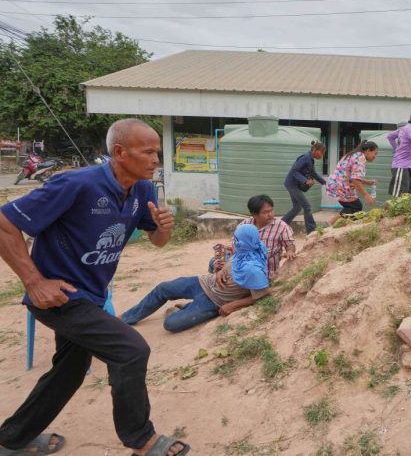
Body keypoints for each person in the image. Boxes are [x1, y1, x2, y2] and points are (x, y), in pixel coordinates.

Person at [0, 119, 190, 456]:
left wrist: (164, 229)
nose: (155, 160)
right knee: (131, 350)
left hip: (92, 296)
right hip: (60, 297)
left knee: (69, 372)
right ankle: (140, 439)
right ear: (119, 152)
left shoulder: (144, 188)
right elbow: (4, 223)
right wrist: (35, 282)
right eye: (147, 152)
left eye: (157, 152)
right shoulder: (75, 184)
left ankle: (11, 440)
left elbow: (157, 242)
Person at [123, 224, 269, 332]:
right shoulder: (245, 249)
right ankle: (126, 318)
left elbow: (260, 295)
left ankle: (187, 309)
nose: (233, 241)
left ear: (245, 241)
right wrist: (219, 272)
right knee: (163, 288)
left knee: (171, 324)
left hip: (214, 302)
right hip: (203, 282)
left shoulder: (253, 269)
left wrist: (232, 305)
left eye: (236, 238)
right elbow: (229, 263)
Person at [209, 195, 295, 278]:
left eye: (271, 210)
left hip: (266, 271)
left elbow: (290, 244)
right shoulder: (245, 224)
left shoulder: (281, 226)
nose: (270, 214)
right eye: (265, 212)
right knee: (214, 262)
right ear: (254, 214)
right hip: (243, 267)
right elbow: (234, 245)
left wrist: (290, 251)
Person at [326, 140, 378, 224]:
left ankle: (337, 223)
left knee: (354, 207)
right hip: (340, 186)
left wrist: (367, 182)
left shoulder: (354, 154)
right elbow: (355, 179)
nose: (375, 156)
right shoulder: (360, 158)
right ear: (368, 151)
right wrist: (366, 195)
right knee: (356, 207)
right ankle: (333, 221)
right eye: (375, 153)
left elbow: (353, 176)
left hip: (336, 184)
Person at [281, 141, 327, 234]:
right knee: (307, 206)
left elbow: (313, 173)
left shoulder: (310, 159)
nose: (322, 155)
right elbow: (294, 170)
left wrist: (325, 183)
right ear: (314, 150)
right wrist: (305, 180)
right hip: (292, 184)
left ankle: (281, 225)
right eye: (321, 152)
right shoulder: (305, 158)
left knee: (297, 208)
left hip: (293, 185)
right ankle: (311, 231)